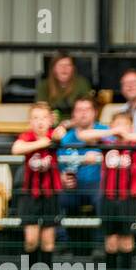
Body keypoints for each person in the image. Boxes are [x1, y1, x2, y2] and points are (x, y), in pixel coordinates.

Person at [74, 110, 136, 270]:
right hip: (108, 198)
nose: (121, 128)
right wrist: (109, 133)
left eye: (125, 124)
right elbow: (83, 135)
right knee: (111, 242)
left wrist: (127, 135)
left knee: (126, 241)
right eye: (117, 124)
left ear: (131, 127)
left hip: (127, 198)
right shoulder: (106, 144)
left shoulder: (134, 145)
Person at [10, 103, 64, 270]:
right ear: (30, 122)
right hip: (30, 195)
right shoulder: (27, 137)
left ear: (50, 120)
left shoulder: (56, 136)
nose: (40, 122)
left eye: (44, 118)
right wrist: (43, 143)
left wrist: (53, 137)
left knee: (48, 241)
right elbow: (16, 149)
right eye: (36, 118)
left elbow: (60, 135)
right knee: (31, 240)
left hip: (50, 194)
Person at [52, 95, 105, 227]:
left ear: (95, 112)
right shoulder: (66, 138)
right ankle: (62, 242)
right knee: (54, 196)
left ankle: (101, 244)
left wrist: (101, 158)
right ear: (73, 113)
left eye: (87, 109)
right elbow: (58, 165)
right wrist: (61, 178)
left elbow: (119, 153)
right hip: (73, 187)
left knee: (104, 198)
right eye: (79, 110)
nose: (83, 113)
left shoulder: (105, 132)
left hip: (99, 185)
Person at [36, 52, 92, 122]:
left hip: (77, 125)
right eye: (60, 65)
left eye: (68, 65)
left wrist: (71, 123)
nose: (64, 68)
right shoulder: (43, 85)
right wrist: (48, 117)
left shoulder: (82, 83)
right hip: (51, 126)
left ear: (73, 68)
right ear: (54, 69)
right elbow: (39, 110)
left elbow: (89, 110)